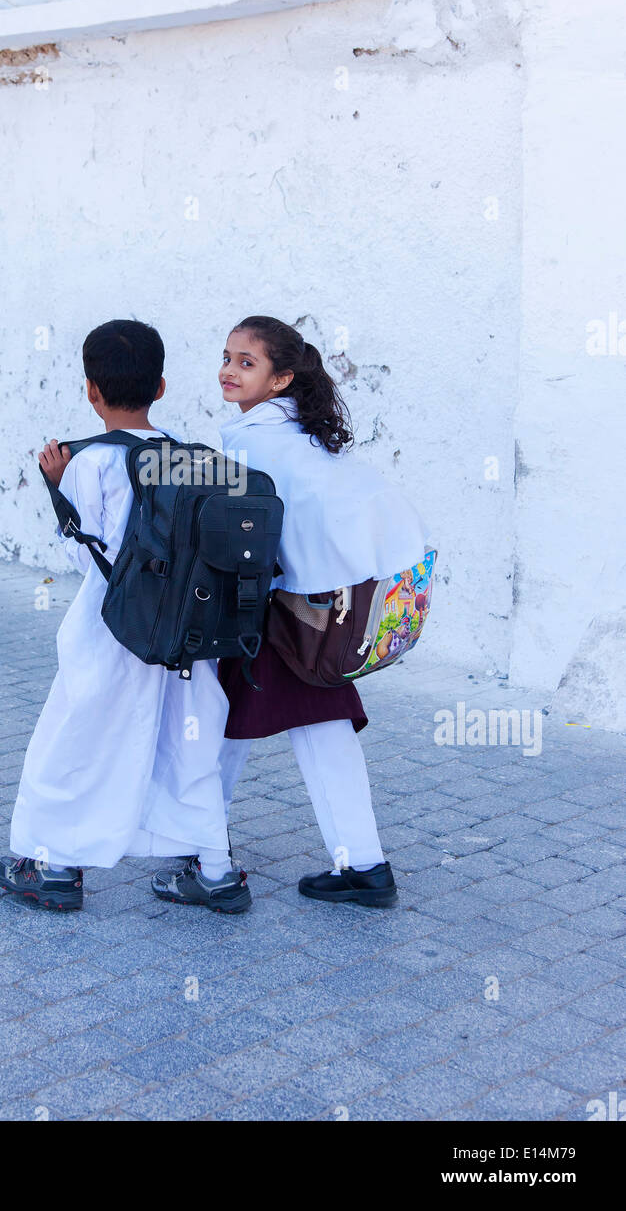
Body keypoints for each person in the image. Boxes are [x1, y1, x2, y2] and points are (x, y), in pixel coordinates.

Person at [0, 320, 250, 913]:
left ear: (90, 391)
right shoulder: (183, 450)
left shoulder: (88, 463)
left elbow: (83, 548)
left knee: (78, 736)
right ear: (161, 387)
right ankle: (214, 870)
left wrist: (58, 484)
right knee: (187, 743)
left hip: (113, 626)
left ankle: (54, 867)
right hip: (185, 629)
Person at [216, 315, 430, 908]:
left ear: (281, 379)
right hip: (324, 607)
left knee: (224, 720)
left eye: (246, 362)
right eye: (227, 357)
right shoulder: (302, 434)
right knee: (310, 725)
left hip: (285, 614)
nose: (229, 371)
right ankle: (362, 865)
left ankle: (203, 853)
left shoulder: (248, 441)